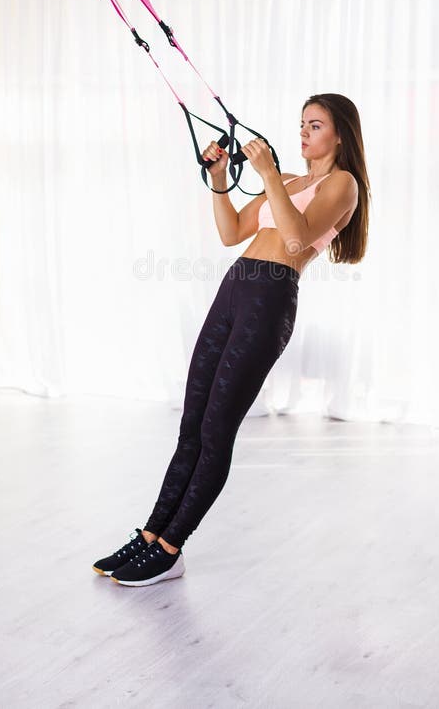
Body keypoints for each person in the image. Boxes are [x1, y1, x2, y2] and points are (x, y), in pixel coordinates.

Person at [92, 93, 370, 586]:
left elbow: (295, 240)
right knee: (192, 423)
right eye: (301, 123)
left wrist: (266, 177)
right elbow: (232, 232)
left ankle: (172, 548)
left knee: (217, 430)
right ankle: (151, 534)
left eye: (315, 124)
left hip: (269, 301)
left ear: (340, 135)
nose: (303, 132)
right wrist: (220, 182)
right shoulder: (286, 181)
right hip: (233, 288)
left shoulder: (341, 185)